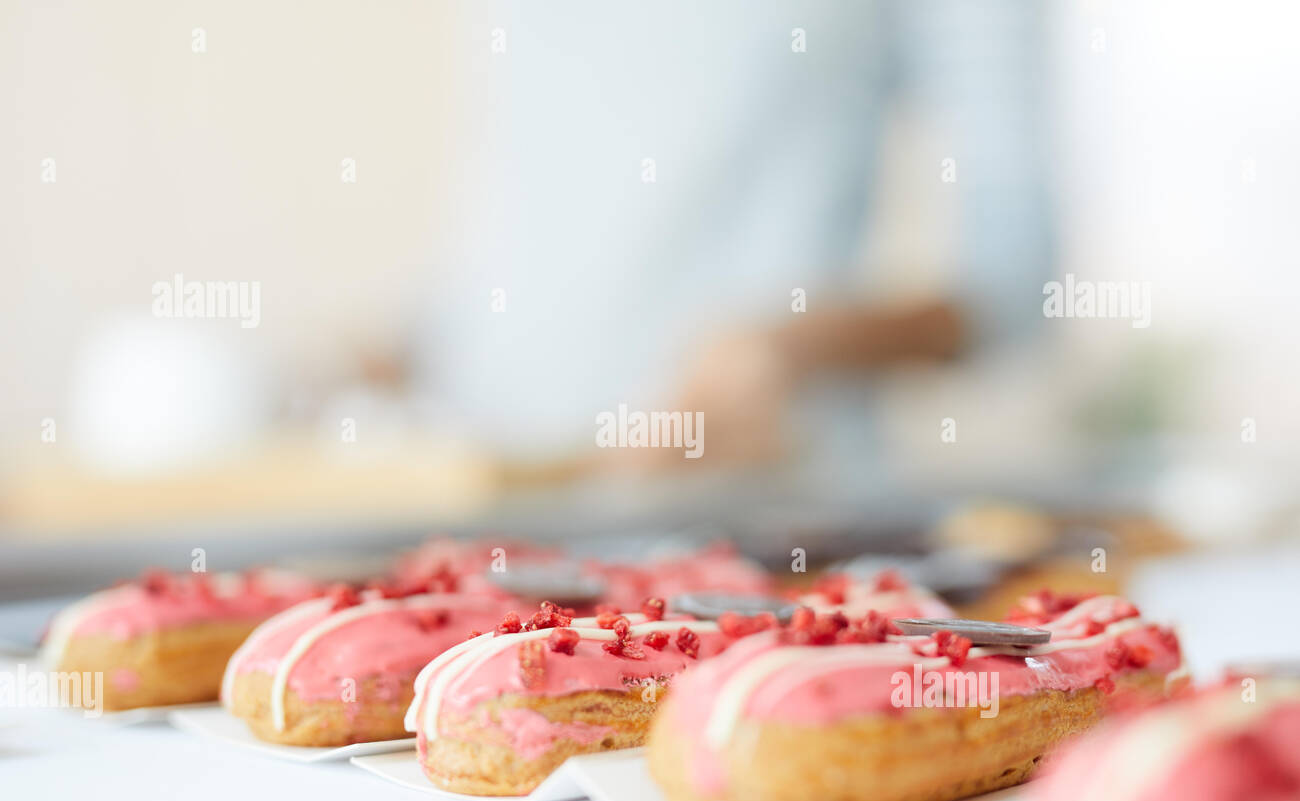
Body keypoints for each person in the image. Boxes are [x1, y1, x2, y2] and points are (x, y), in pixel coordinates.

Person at [417, 0, 1053, 467]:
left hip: (768, 525)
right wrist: (403, 344)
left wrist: (795, 346)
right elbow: (534, 218)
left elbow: (1018, 278)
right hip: (502, 504)